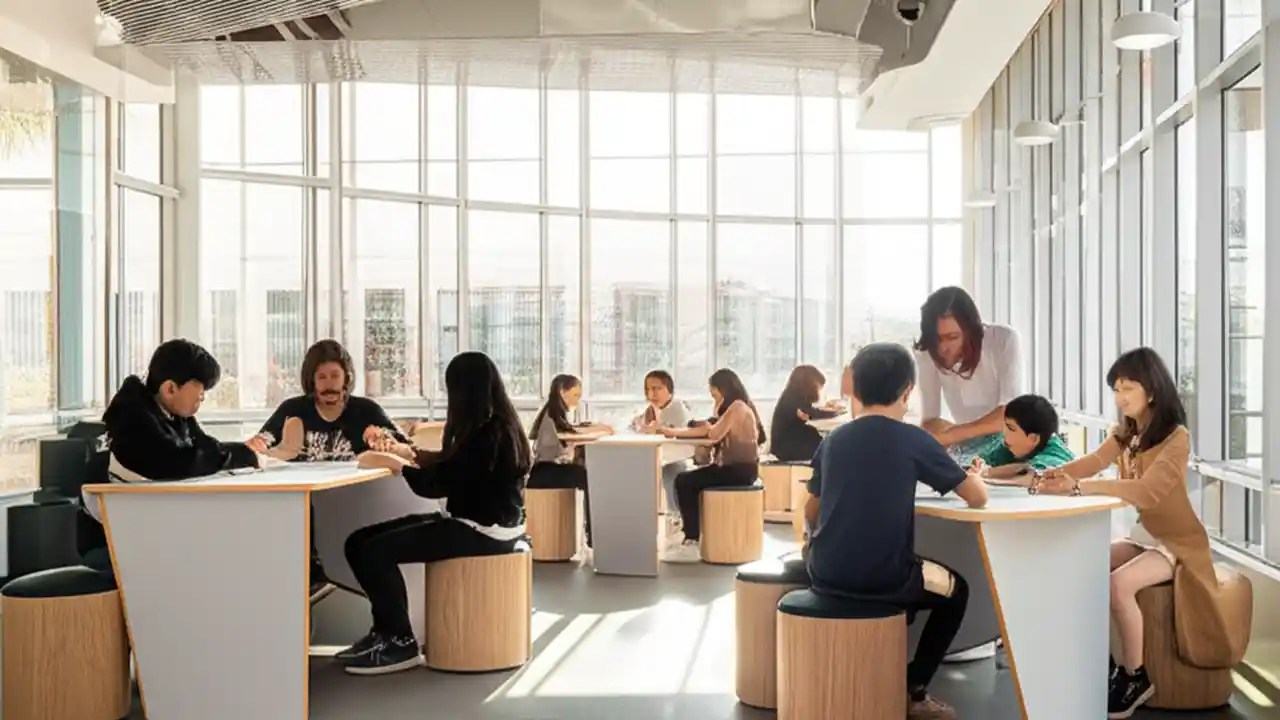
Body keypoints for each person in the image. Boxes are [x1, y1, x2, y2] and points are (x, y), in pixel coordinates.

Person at [1035, 348, 1242, 719]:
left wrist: (1080, 488)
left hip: (1179, 544)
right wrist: (1048, 476)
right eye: (1116, 389)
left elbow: (1148, 491)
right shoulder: (1126, 433)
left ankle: (1136, 677)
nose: (1120, 397)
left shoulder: (1176, 437)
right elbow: (1092, 462)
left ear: (1152, 390)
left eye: (1127, 388)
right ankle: (1105, 664)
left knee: (1118, 585)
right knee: (1084, 567)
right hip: (1147, 536)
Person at [804, 343, 988, 720]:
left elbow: (811, 509)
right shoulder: (914, 439)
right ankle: (914, 690)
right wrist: (978, 476)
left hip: (823, 571)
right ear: (907, 391)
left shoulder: (833, 440)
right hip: (886, 578)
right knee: (957, 591)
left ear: (856, 389)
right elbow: (976, 497)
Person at [337, 352, 531, 675]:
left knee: (372, 550)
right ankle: (385, 632)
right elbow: (452, 463)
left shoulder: (488, 434)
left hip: (481, 531)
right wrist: (410, 453)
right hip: (484, 525)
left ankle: (399, 641)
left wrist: (397, 464)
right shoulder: (495, 425)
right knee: (359, 541)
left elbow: (435, 485)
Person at [80, 340, 262, 571]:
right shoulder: (131, 419)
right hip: (117, 540)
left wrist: (244, 451)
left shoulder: (175, 414)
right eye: (199, 393)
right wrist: (242, 455)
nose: (201, 400)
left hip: (154, 527)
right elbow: (180, 463)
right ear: (170, 389)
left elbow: (205, 447)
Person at [658, 368, 766, 563]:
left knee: (684, 481)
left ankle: (691, 540)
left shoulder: (737, 407)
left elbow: (714, 434)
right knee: (688, 478)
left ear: (724, 390)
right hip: (738, 469)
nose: (715, 400)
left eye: (715, 395)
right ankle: (690, 533)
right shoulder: (739, 407)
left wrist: (709, 421)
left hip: (738, 470)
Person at [248, 339, 409, 462]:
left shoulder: (367, 410)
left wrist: (384, 439)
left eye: (335, 376)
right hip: (302, 491)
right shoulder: (292, 410)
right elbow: (259, 445)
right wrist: (257, 446)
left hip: (357, 491)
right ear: (311, 380)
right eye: (322, 377)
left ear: (346, 377)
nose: (329, 384)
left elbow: (408, 449)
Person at [914, 286, 1024, 466]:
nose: (943, 348)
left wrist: (951, 435)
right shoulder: (927, 352)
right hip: (968, 446)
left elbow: (1010, 416)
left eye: (952, 337)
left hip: (1013, 440)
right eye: (937, 339)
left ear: (971, 331)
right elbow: (930, 421)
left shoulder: (1004, 339)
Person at [528, 374, 613, 551]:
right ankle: (594, 535)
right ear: (562, 392)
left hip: (545, 470)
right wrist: (599, 429)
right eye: (575, 395)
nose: (577, 400)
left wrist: (596, 427)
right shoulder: (552, 414)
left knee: (586, 474)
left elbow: (572, 429)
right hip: (545, 473)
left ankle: (593, 534)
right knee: (589, 478)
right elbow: (570, 433)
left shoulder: (553, 412)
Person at [629, 370, 692, 529]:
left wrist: (656, 429)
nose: (652, 394)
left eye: (657, 389)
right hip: (658, 456)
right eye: (648, 389)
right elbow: (634, 428)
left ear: (669, 389)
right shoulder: (649, 411)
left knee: (670, 469)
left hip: (679, 457)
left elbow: (676, 433)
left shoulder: (677, 407)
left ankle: (675, 514)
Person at [970, 394, 1075, 480]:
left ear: (1033, 439)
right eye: (1004, 426)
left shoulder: (1054, 453)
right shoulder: (1010, 446)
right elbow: (984, 459)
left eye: (1011, 428)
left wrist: (988, 473)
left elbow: (1033, 473)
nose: (1004, 432)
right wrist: (979, 465)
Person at [769, 365, 843, 463]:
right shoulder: (793, 398)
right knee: (828, 448)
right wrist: (835, 412)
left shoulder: (792, 395)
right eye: (817, 387)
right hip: (787, 447)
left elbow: (810, 411)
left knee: (825, 444)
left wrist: (830, 410)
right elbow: (812, 413)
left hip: (787, 444)